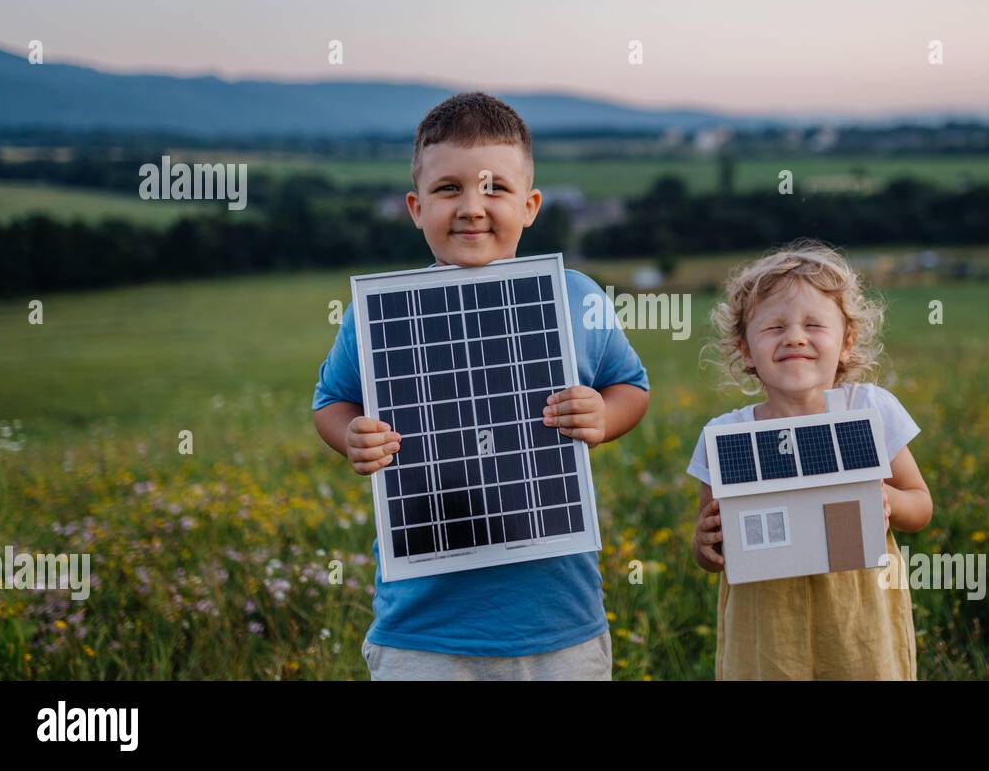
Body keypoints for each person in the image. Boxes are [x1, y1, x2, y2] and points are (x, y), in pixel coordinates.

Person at [312, 92, 650, 680]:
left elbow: (631, 386)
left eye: (494, 187)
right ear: (416, 208)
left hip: (560, 624)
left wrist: (603, 415)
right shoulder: (376, 314)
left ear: (530, 205)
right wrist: (352, 437)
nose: (472, 206)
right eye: (449, 189)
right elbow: (331, 403)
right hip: (425, 632)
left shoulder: (576, 296)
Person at [686, 241, 932, 679]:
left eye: (814, 324)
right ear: (745, 350)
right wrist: (705, 543)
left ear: (846, 342)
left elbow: (921, 505)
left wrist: (889, 502)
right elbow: (710, 547)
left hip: (858, 617)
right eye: (774, 327)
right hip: (767, 620)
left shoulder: (868, 408)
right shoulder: (725, 435)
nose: (795, 336)